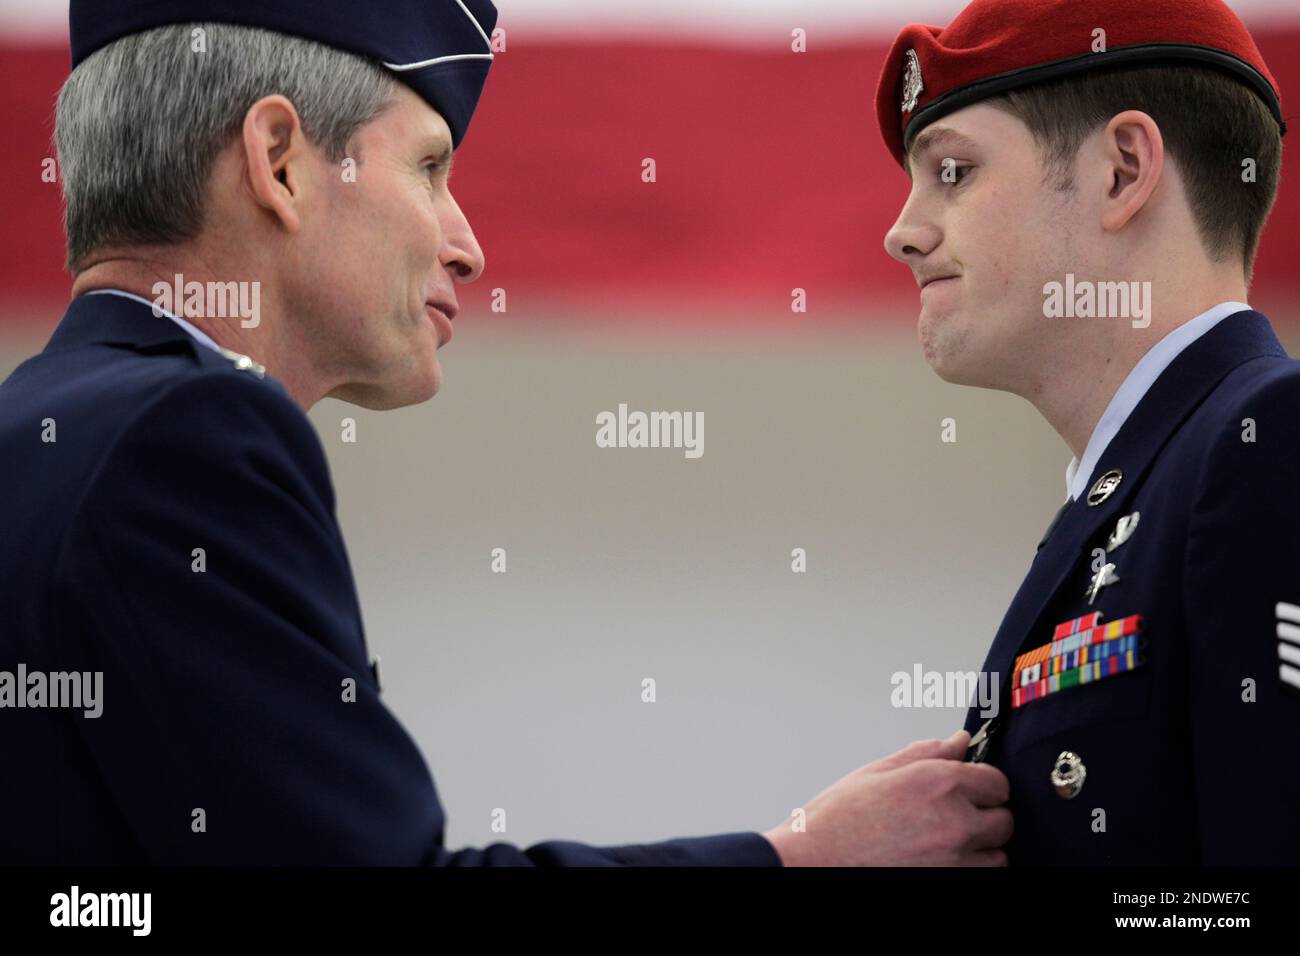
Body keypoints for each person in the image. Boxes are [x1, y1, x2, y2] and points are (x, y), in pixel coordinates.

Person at [0, 0, 1013, 866]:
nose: (468, 245)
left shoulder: (40, 431)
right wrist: (795, 859)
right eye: (431, 166)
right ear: (278, 162)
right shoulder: (193, 437)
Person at [878, 0, 1298, 863]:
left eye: (952, 171)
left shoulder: (1267, 441)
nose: (903, 232)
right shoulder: (1150, 478)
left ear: (1122, 170)